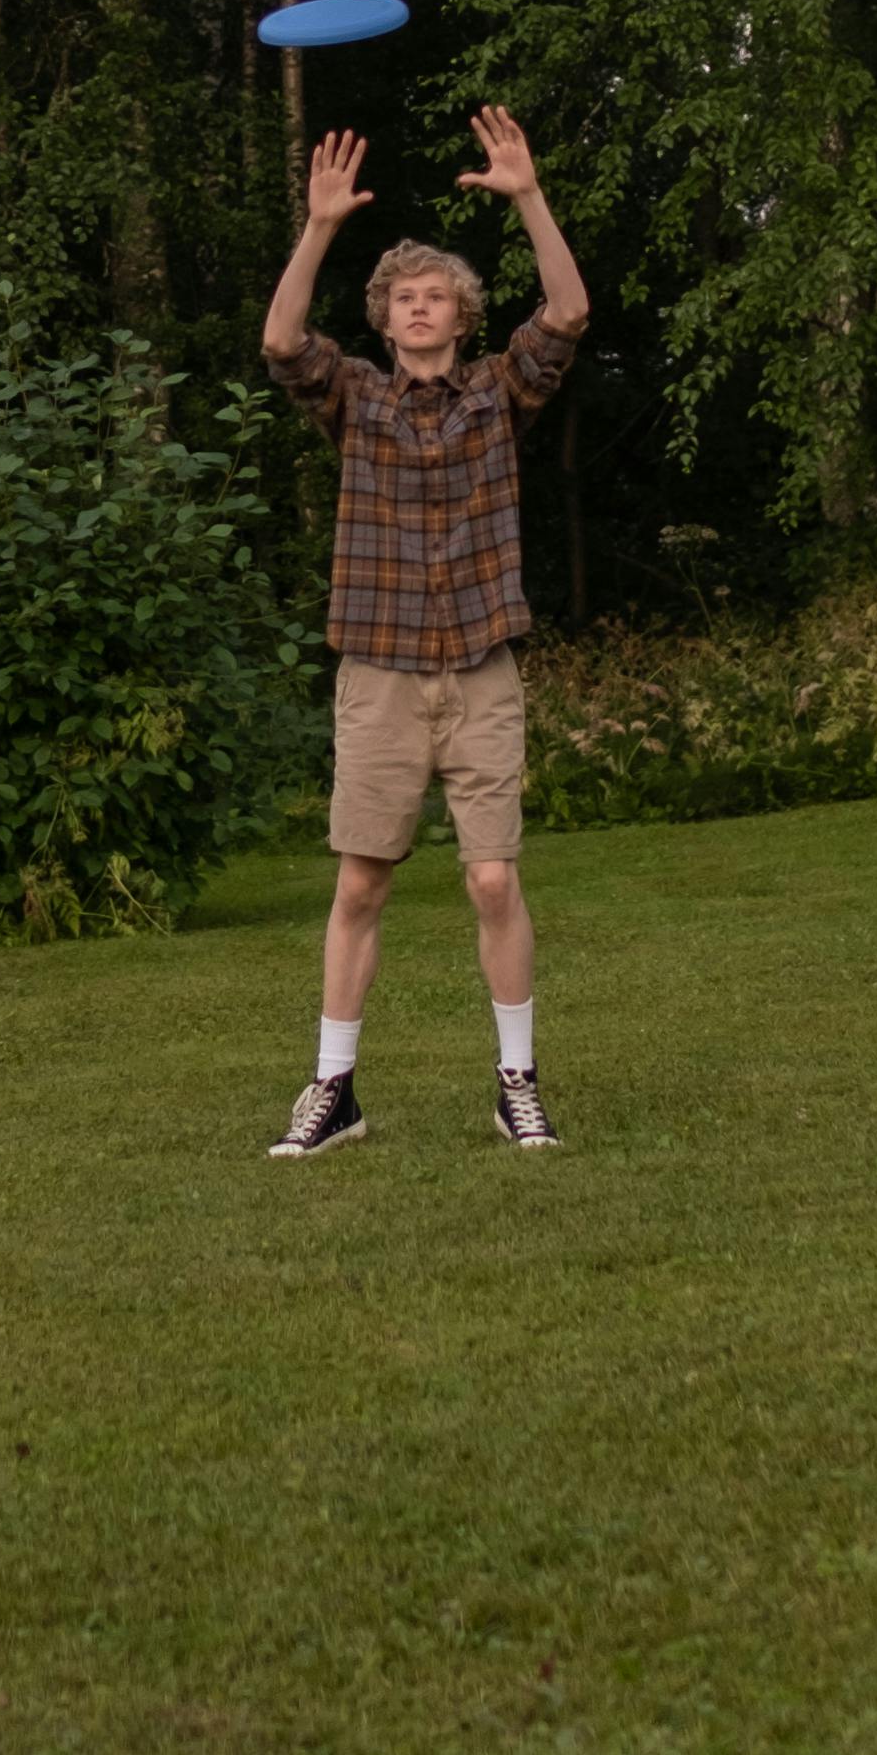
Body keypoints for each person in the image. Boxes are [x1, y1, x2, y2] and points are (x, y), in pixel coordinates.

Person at [259, 108, 590, 1157]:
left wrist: (527, 194)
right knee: (360, 881)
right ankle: (332, 1090)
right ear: (382, 314)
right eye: (400, 296)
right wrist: (316, 226)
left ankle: (516, 1082)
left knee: (491, 877)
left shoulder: (499, 392)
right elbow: (278, 343)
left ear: (459, 311)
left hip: (480, 667)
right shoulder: (352, 397)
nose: (416, 306)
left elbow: (569, 310)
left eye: (433, 293)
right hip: (381, 676)